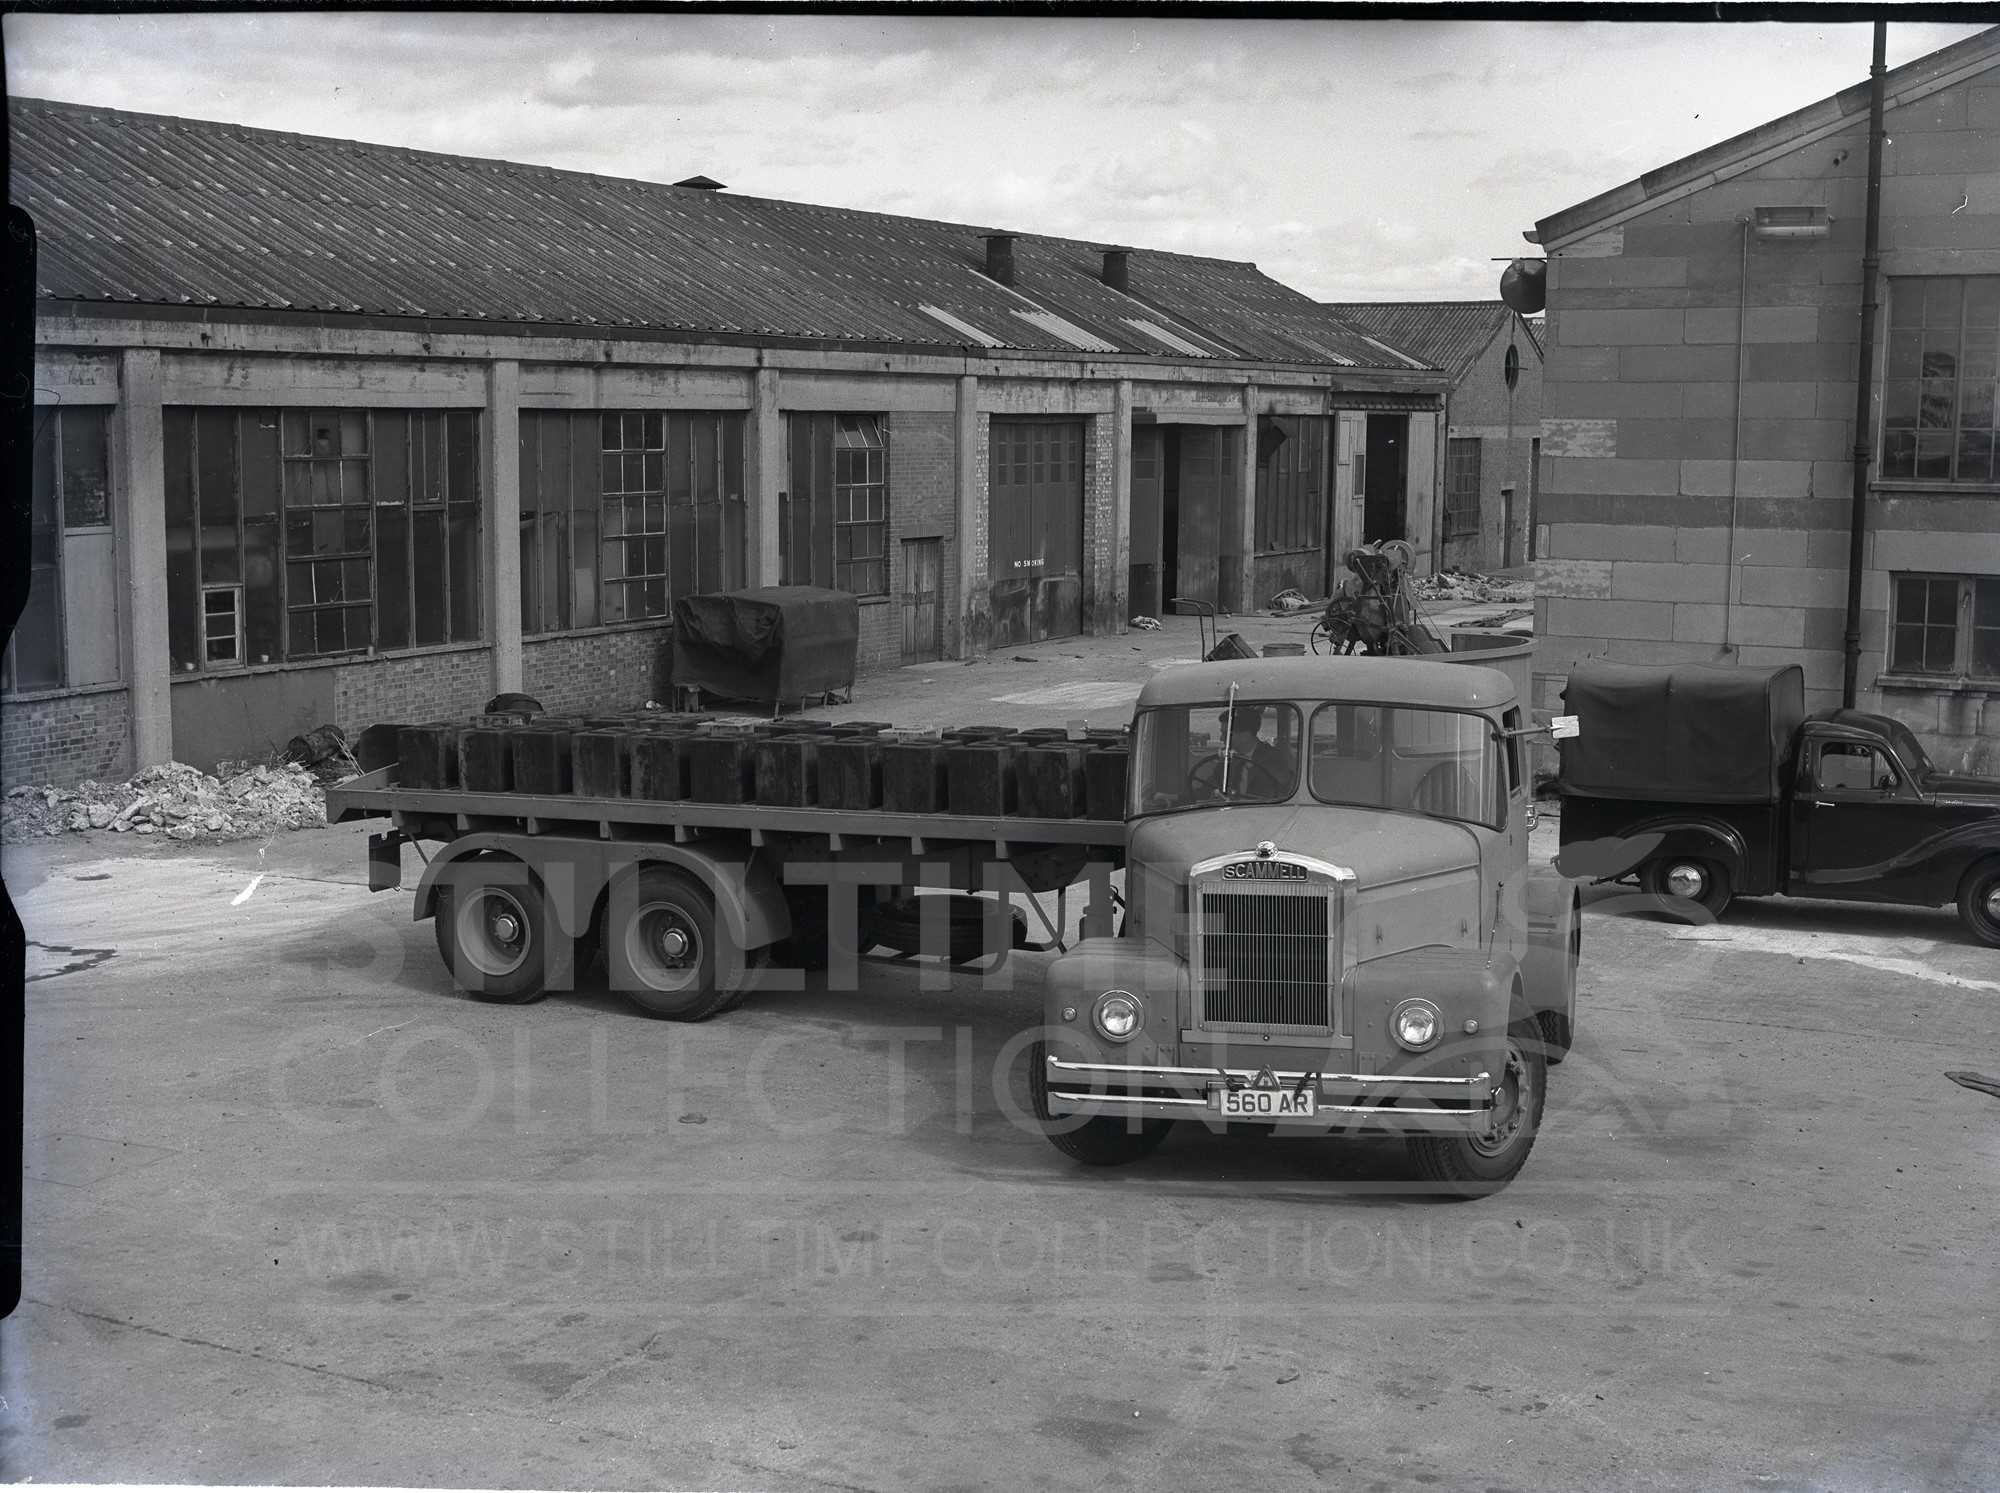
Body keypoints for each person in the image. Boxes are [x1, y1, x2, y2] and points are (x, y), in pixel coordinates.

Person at [1213, 703, 1296, 794]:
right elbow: (1209, 787)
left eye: (1226, 734)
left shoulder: (1273, 760)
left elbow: (1275, 795)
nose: (1221, 738)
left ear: (1245, 735)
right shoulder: (1228, 760)